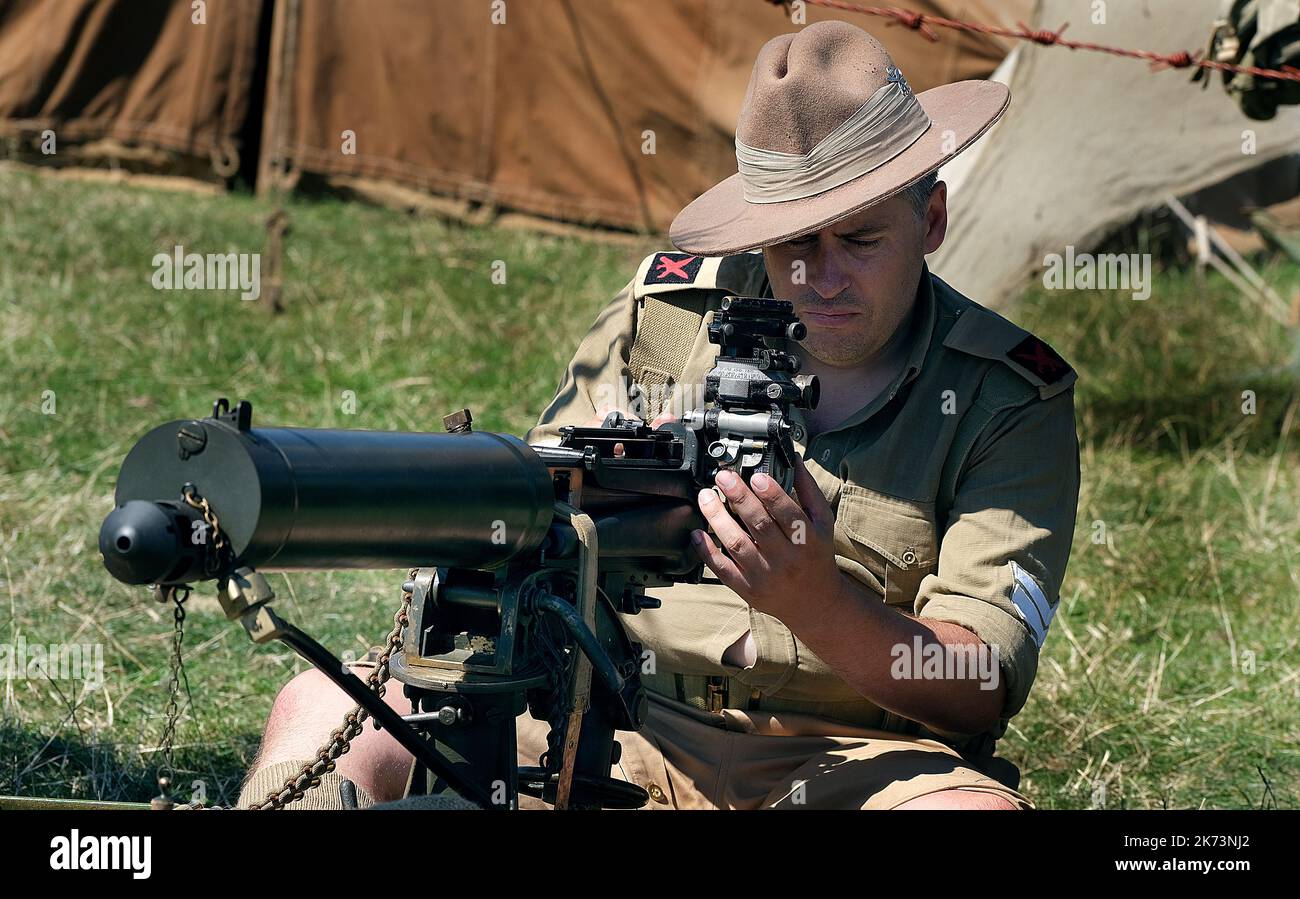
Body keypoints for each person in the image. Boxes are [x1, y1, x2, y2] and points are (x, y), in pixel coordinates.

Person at [237, 19, 1079, 811]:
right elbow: (538, 524)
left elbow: (980, 682)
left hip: (859, 760)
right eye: (792, 244)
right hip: (619, 726)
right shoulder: (671, 319)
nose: (819, 277)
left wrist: (821, 603)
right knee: (319, 710)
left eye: (859, 241)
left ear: (930, 220)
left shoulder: (1003, 397)